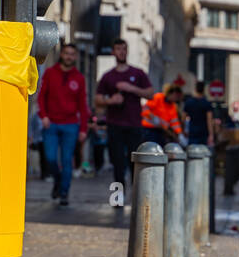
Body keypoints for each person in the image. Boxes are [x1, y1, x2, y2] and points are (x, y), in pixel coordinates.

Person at [36, 42, 90, 206]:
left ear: (76, 57)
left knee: (67, 161)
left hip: (71, 125)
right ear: (61, 55)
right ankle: (58, 182)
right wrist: (43, 116)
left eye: (72, 54)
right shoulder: (51, 73)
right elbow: (41, 97)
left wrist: (83, 129)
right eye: (66, 53)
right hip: (51, 124)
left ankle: (64, 192)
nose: (69, 57)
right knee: (50, 158)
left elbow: (83, 106)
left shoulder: (79, 78)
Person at [95, 38, 154, 187]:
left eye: (124, 49)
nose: (121, 52)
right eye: (118, 49)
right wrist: (111, 100)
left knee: (134, 163)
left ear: (127, 51)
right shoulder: (108, 76)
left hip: (134, 124)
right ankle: (118, 200)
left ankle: (137, 199)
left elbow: (150, 93)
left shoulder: (138, 73)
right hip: (114, 125)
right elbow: (98, 99)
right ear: (113, 52)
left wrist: (131, 88)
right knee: (117, 163)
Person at [184, 82, 215, 148]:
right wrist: (211, 134)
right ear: (204, 90)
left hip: (192, 132)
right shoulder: (206, 103)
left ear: (195, 89)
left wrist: (184, 131)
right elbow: (209, 120)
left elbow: (183, 118)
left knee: (192, 153)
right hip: (203, 133)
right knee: (202, 154)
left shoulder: (189, 102)